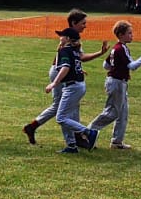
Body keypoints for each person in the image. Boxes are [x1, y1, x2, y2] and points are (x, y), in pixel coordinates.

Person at [41, 9, 107, 153]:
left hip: (71, 85)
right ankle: (73, 144)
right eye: (83, 23)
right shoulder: (73, 48)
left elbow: (65, 67)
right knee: (65, 113)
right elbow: (74, 62)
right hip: (76, 84)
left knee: (61, 116)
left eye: (62, 36)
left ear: (68, 39)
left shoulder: (66, 49)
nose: (60, 38)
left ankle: (87, 134)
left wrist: (54, 83)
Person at [88, 20, 141, 149]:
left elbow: (106, 65)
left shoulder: (117, 48)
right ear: (121, 35)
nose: (132, 35)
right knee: (112, 112)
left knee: (123, 113)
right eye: (129, 33)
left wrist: (119, 69)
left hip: (119, 82)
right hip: (116, 83)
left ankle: (117, 141)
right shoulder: (120, 48)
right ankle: (87, 132)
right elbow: (132, 66)